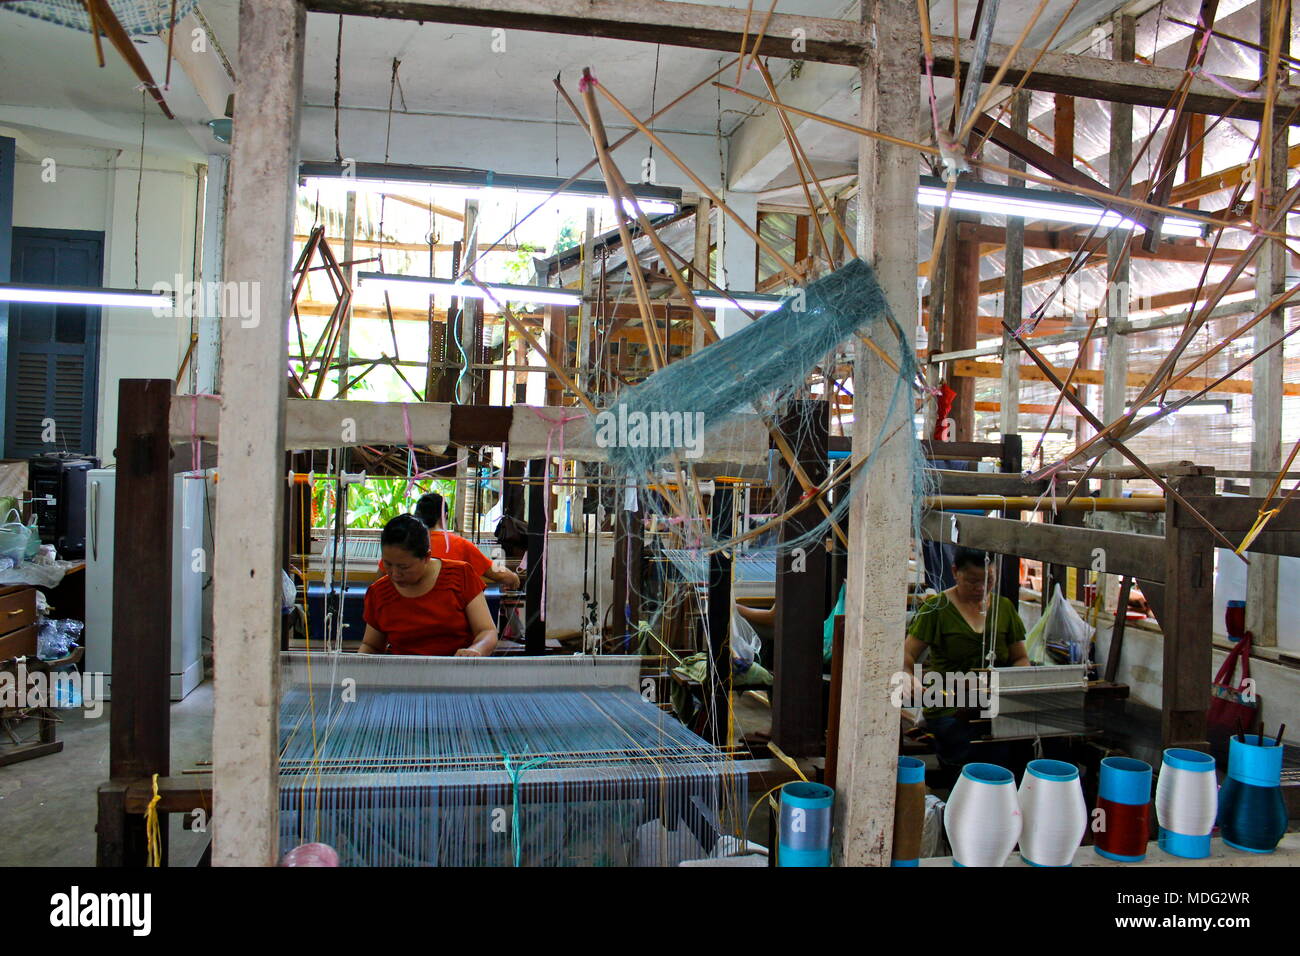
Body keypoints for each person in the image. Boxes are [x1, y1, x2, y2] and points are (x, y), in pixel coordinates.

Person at [903, 546, 1029, 779]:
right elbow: (907, 654)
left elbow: (1020, 658)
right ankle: (971, 797)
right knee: (970, 743)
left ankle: (1001, 800)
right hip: (949, 704)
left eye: (988, 580)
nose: (981, 588)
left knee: (1022, 743)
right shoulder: (936, 608)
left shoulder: (1004, 609)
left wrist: (1009, 682)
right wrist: (909, 676)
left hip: (994, 703)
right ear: (954, 572)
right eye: (972, 581)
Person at [360, 514, 498, 656]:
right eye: (387, 564)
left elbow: (487, 631)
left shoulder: (460, 576)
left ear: (426, 557)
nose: (394, 574)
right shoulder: (379, 592)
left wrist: (475, 650)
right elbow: (372, 646)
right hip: (402, 674)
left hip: (458, 671)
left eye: (404, 567)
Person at [413, 492, 521, 591]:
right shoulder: (459, 544)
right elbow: (499, 574)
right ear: (444, 516)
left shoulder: (408, 544)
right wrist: (514, 578)